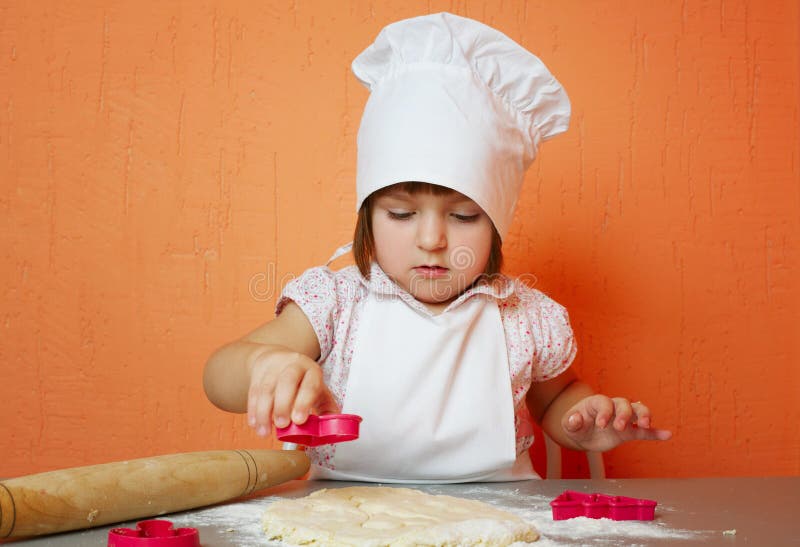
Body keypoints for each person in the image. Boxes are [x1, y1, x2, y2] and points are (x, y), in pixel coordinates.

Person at [203, 12, 671, 483]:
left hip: (502, 518)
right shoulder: (336, 305)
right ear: (367, 216)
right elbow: (219, 375)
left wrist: (581, 419)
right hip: (349, 519)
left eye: (463, 216)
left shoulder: (524, 316)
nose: (431, 241)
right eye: (401, 215)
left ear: (496, 224)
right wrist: (267, 364)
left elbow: (557, 396)